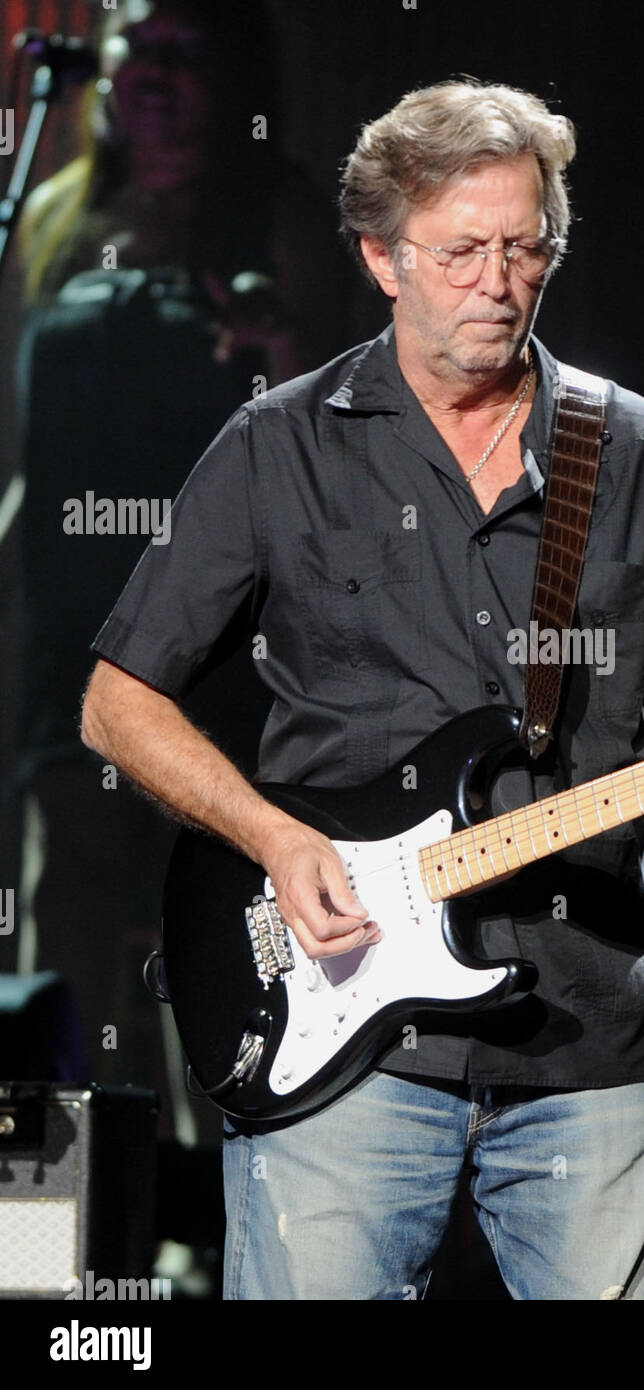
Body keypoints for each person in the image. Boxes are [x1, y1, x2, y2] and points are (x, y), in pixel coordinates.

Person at [80, 80, 644, 1300]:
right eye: (461, 252)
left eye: (525, 248)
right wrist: (274, 837)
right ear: (382, 259)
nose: (498, 283)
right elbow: (116, 701)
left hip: (595, 1037)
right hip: (343, 1038)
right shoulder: (278, 444)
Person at [11, 0, 349, 1126]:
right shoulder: (59, 213)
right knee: (67, 935)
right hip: (75, 643)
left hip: (229, 657)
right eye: (131, 53)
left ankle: (224, 1219)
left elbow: (339, 426)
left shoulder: (281, 213)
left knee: (223, 942)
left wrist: (278, 350)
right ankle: (60, 1229)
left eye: (180, 56)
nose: (151, 78)